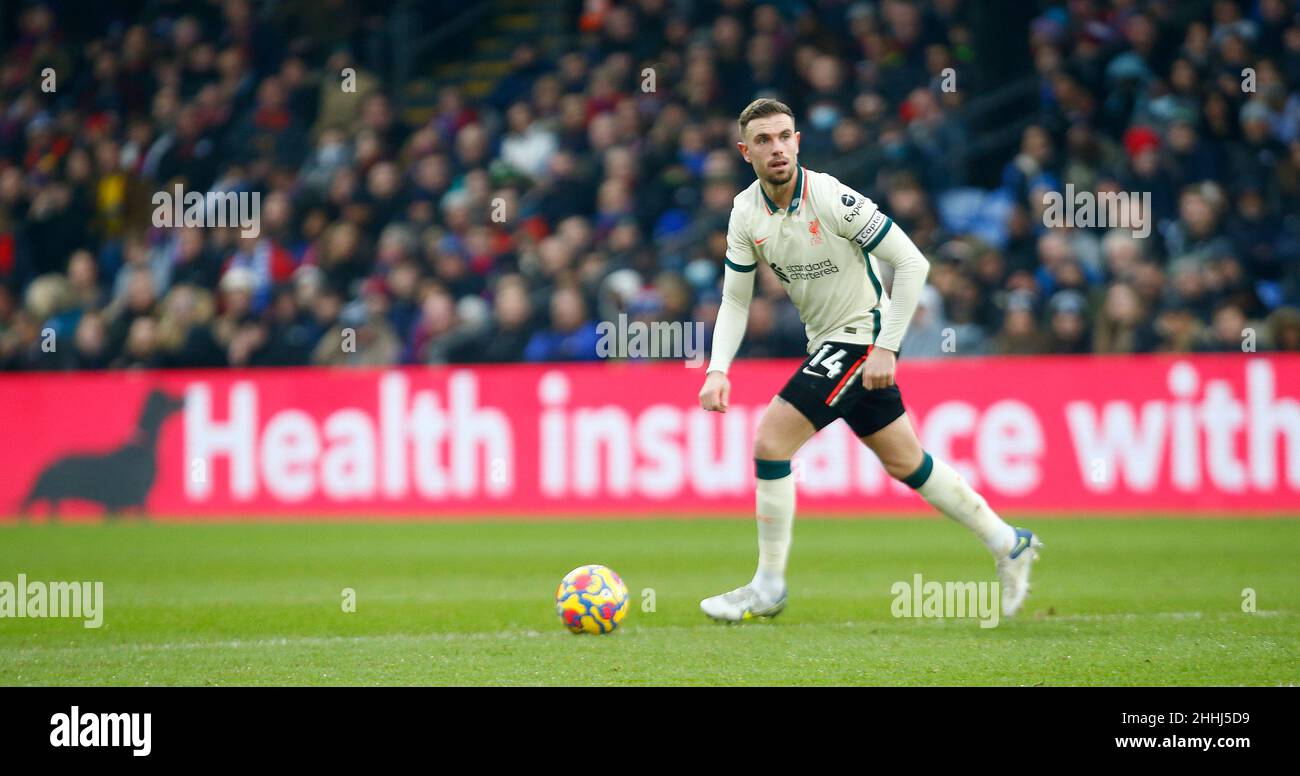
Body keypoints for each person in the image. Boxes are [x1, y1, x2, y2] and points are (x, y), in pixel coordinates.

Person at [697, 99, 1042, 622]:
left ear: (797, 142)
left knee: (771, 442)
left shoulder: (830, 196)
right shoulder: (745, 213)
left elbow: (912, 262)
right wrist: (718, 368)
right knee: (907, 462)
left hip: (860, 338)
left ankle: (767, 586)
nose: (777, 148)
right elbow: (735, 300)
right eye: (764, 140)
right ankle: (1008, 542)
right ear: (746, 152)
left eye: (785, 136)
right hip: (829, 343)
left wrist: (886, 347)